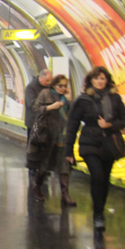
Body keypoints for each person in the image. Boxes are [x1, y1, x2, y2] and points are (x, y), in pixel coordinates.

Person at [64, 66, 125, 231]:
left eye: (102, 78)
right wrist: (68, 150)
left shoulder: (115, 98)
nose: (100, 82)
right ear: (90, 81)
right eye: (96, 79)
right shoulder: (84, 100)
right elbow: (72, 125)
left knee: (105, 179)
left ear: (107, 80)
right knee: (98, 176)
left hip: (109, 143)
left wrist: (110, 125)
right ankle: (98, 215)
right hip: (89, 143)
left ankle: (99, 210)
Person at [26, 74, 76, 206]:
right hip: (48, 135)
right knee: (44, 165)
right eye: (60, 85)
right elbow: (35, 109)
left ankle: (65, 195)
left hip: (63, 135)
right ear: (54, 85)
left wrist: (70, 101)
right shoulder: (45, 93)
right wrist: (50, 107)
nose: (63, 88)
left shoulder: (67, 98)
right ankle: (37, 187)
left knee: (64, 166)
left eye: (65, 86)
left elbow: (74, 115)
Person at [24, 69, 52, 187]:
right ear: (41, 78)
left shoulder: (49, 87)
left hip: (46, 121)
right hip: (34, 121)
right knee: (33, 144)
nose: (49, 82)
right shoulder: (31, 88)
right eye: (47, 80)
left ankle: (43, 167)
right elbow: (31, 104)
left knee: (45, 144)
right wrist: (48, 105)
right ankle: (32, 167)